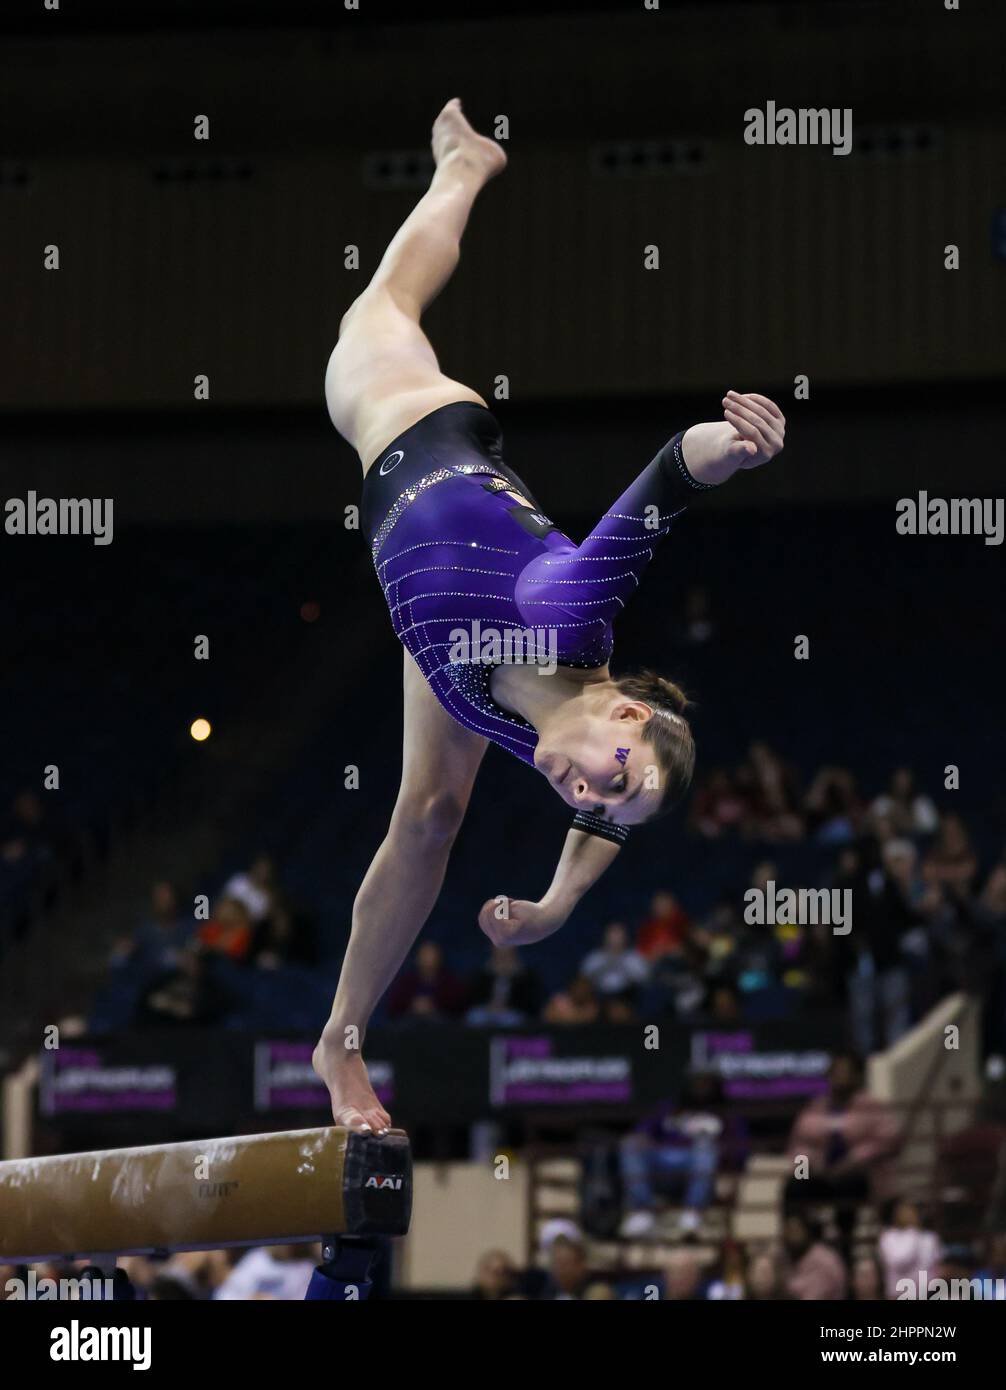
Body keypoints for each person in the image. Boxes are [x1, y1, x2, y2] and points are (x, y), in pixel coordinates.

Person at [312, 98, 786, 1131]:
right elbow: (664, 481)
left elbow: (606, 811)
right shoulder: (568, 611)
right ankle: (464, 167)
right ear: (624, 717)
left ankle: (336, 1041)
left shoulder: (568, 746)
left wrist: (559, 902)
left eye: (598, 801)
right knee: (378, 311)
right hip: (413, 426)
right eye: (612, 776)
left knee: (430, 818)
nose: (582, 788)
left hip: (445, 645)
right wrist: (733, 442)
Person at [785, 1052, 901, 1260]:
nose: (839, 1077)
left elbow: (889, 1139)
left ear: (856, 1076)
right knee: (794, 1185)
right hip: (820, 1174)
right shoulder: (816, 1107)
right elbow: (797, 1145)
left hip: (857, 1176)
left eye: (845, 1072)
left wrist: (857, 1158)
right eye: (835, 1072)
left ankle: (845, 1246)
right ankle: (804, 1242)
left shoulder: (871, 1106)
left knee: (850, 1186)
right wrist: (809, 1163)